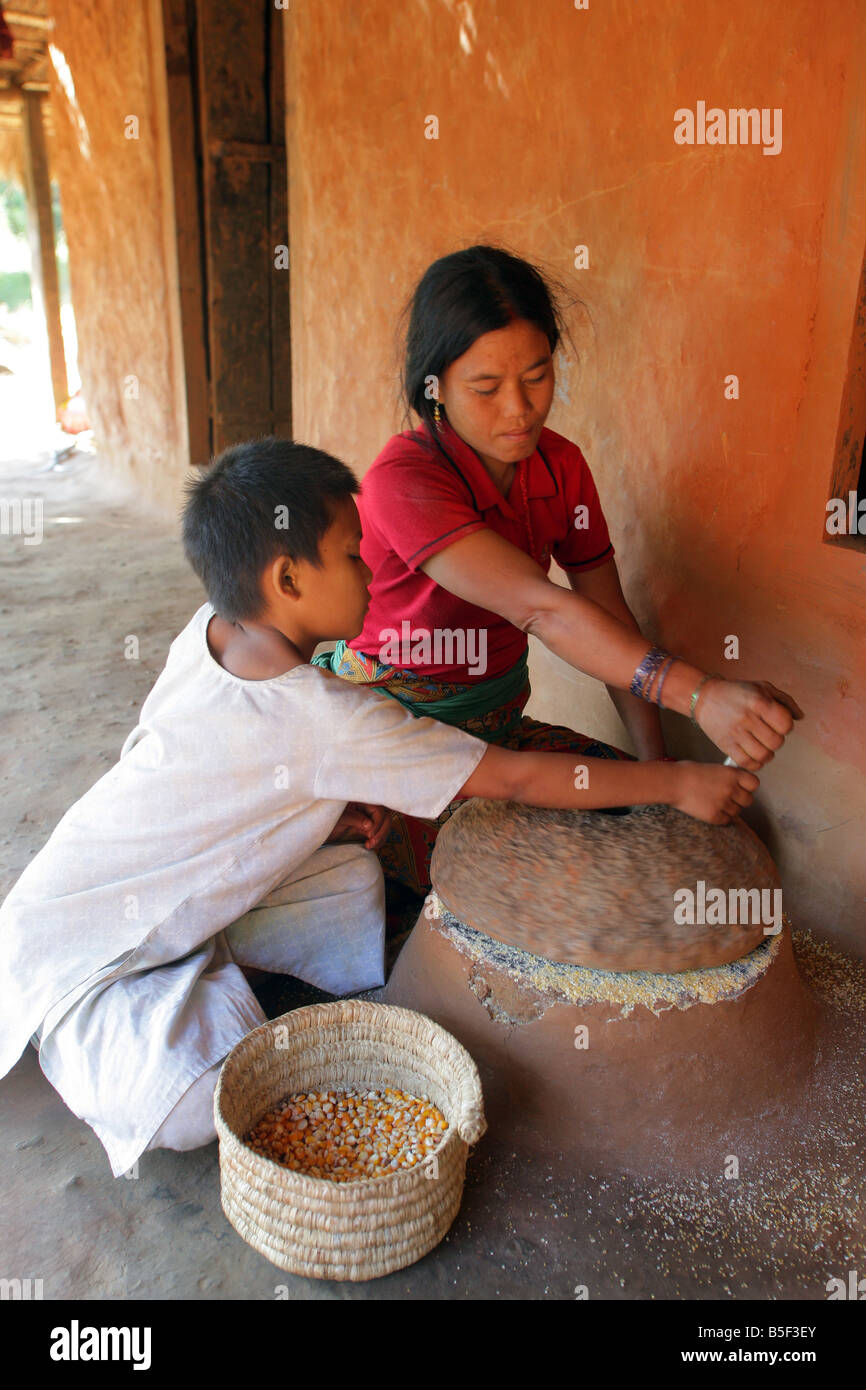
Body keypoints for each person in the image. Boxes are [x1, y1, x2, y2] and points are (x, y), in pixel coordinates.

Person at [0, 438, 767, 1176]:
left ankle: (203, 962)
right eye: (351, 554)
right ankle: (87, 1033)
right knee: (198, 1100)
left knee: (355, 881)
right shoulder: (327, 720)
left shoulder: (213, 628)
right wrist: (675, 783)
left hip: (152, 900)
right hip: (86, 951)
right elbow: (515, 779)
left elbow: (212, 769)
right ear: (288, 581)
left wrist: (317, 815)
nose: (372, 571)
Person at [313, 245, 803, 893]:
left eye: (537, 376)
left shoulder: (560, 468)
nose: (518, 409)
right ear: (433, 388)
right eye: (485, 388)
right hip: (394, 741)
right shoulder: (404, 480)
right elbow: (541, 608)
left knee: (661, 829)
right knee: (443, 893)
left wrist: (655, 769)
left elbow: (608, 617)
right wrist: (700, 694)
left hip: (502, 734)